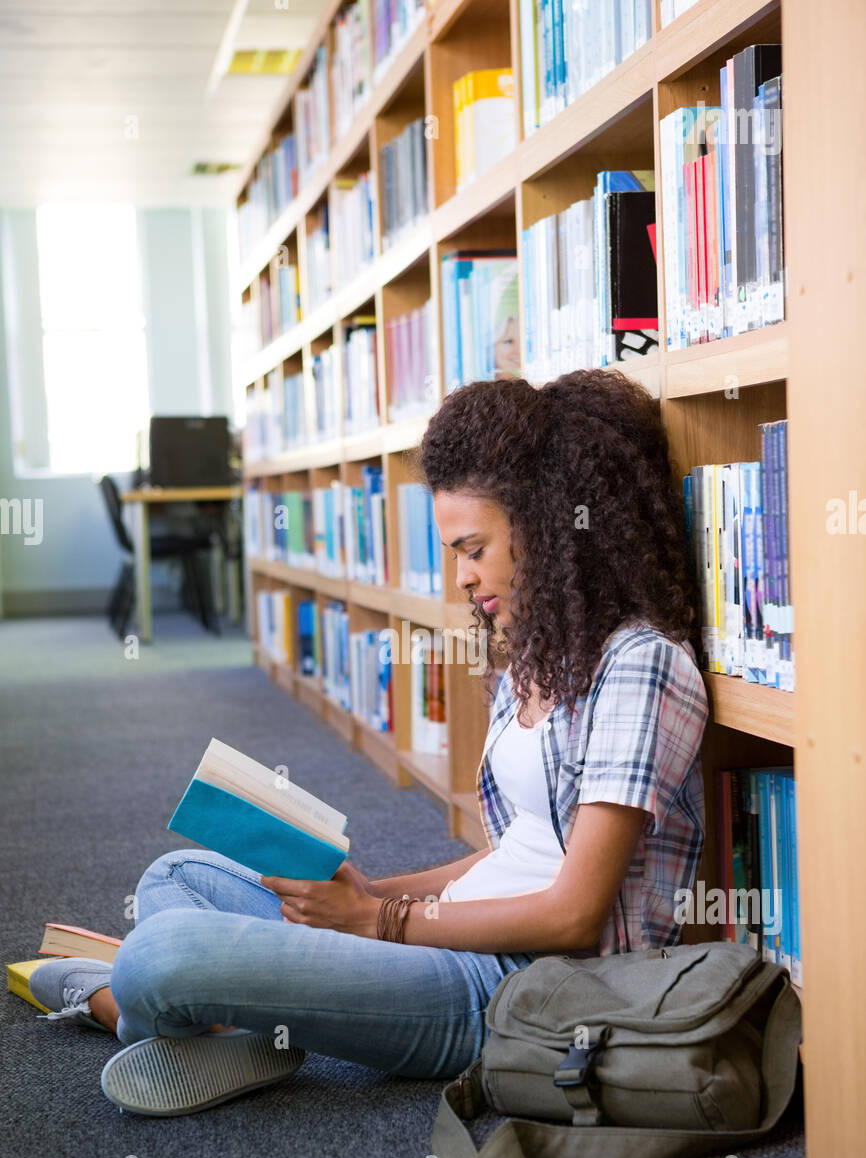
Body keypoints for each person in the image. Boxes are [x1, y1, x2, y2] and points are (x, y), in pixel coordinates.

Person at [31, 369, 708, 1116]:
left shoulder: (643, 664)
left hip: (505, 988)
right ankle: (237, 1027)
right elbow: (519, 849)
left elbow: (573, 913)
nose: (461, 578)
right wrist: (367, 894)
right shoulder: (541, 653)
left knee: (158, 956)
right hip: (435, 932)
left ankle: (113, 1005)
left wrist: (378, 923)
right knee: (175, 878)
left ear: (548, 524)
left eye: (473, 548)